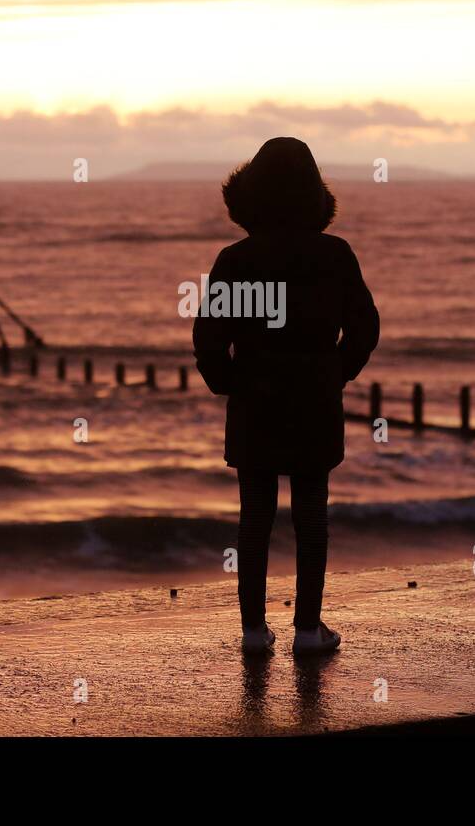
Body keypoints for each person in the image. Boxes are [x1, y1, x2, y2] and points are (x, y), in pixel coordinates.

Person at [193, 137, 379, 656]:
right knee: (311, 514)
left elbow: (208, 336)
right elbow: (364, 327)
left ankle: (254, 630)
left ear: (249, 195)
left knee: (254, 515)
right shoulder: (335, 255)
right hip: (314, 400)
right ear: (314, 195)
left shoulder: (235, 259)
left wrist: (228, 381)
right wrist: (335, 372)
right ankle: (306, 629)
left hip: (254, 400)